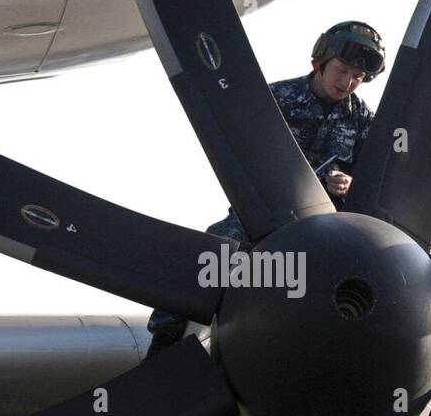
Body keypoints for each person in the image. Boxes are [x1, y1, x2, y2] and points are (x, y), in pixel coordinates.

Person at [146, 21, 385, 356]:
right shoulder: (274, 100)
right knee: (202, 265)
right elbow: (238, 154)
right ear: (319, 63)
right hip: (259, 217)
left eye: (357, 77)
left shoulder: (361, 119)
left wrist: (349, 185)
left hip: (324, 231)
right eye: (342, 70)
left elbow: (376, 181)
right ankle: (161, 352)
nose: (347, 83)